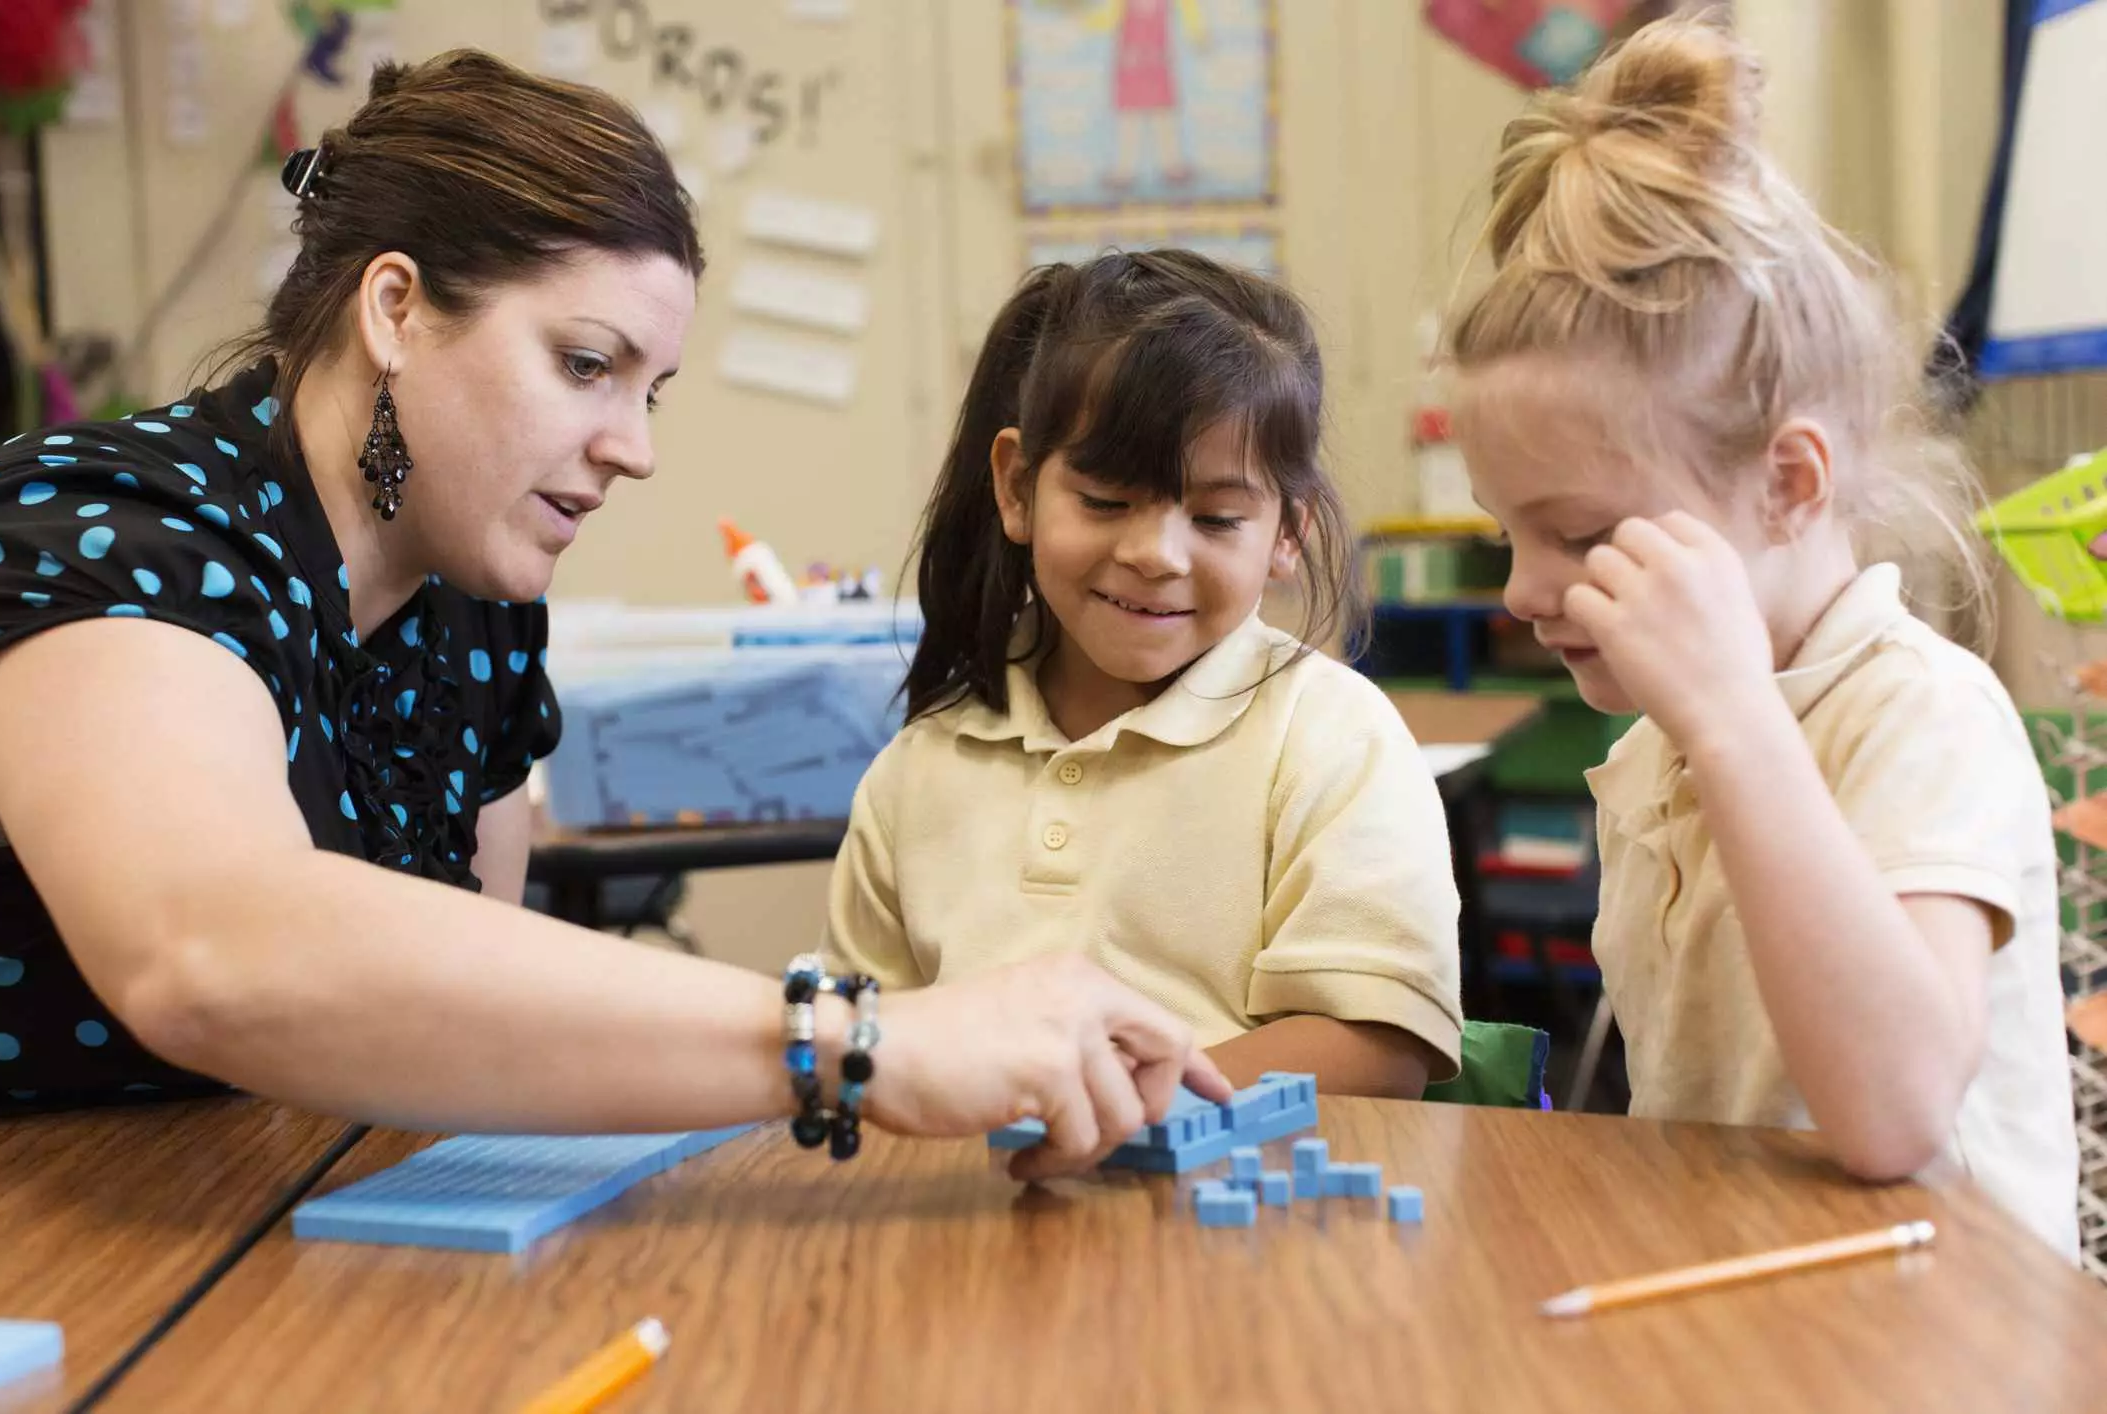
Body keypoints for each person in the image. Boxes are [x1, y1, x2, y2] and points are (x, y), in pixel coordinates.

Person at [0, 50, 1225, 1179]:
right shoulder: (116, 532)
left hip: (249, 1219)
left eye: (653, 392)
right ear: (396, 310)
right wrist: (861, 1042)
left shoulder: (468, 604)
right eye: (587, 365)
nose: (632, 449)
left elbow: (462, 1026)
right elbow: (209, 952)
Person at [1445, 14, 2078, 1254]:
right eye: (1507, 534)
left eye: (1578, 535)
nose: (1523, 589)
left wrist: (1735, 723)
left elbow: (1891, 1117)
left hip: (1946, 1349)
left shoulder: (1921, 715)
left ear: (1790, 484)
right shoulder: (1660, 748)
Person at [823, 250, 1464, 1098]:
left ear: (1284, 532)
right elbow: (853, 1046)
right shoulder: (920, 769)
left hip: (1246, 1217)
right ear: (1017, 488)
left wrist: (1099, 1110)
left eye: (1215, 517)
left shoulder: (1332, 739)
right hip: (969, 1217)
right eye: (1104, 501)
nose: (1154, 555)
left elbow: (1376, 1051)